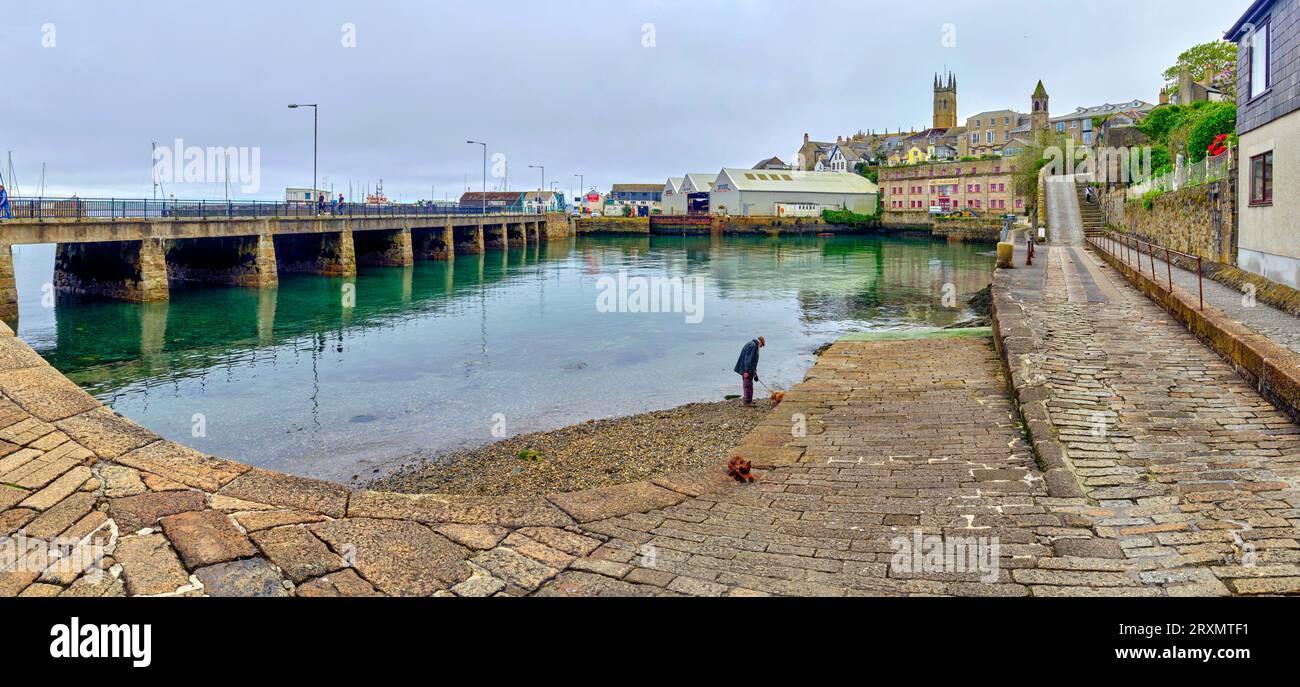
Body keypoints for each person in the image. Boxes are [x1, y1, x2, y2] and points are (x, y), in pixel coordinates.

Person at [734, 336, 766, 406]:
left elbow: (752, 362)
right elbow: (748, 360)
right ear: (760, 342)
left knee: (749, 384)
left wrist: (755, 374)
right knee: (748, 384)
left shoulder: (752, 344)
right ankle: (747, 402)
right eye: (761, 345)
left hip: (747, 369)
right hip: (746, 369)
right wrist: (746, 372)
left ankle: (748, 399)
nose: (761, 347)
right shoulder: (753, 346)